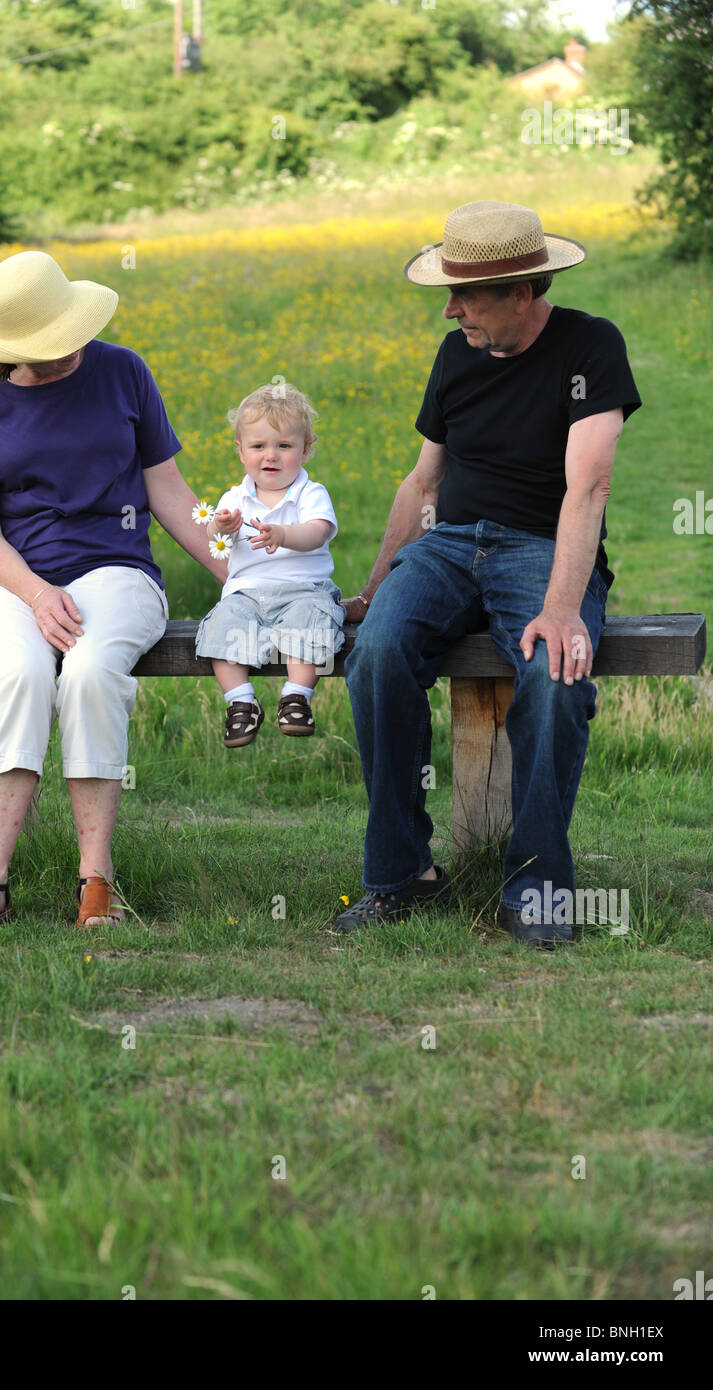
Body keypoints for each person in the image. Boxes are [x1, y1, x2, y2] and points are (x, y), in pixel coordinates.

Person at [338, 201, 641, 946]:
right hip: (446, 547)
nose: (450, 309)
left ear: (520, 291)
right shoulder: (454, 353)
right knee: (376, 652)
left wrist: (563, 607)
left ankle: (534, 889)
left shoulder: (589, 347)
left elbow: (588, 487)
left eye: (465, 295)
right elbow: (422, 484)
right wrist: (376, 587)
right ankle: (401, 876)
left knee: (553, 674)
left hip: (542, 548)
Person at [0, 250, 228, 930]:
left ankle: (95, 879)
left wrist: (244, 581)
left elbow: (172, 496)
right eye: (51, 343)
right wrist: (36, 594)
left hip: (116, 570)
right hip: (11, 580)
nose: (70, 351)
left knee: (92, 671)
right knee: (22, 673)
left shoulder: (122, 370)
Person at [194, 384, 346, 746]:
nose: (270, 456)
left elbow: (318, 533)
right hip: (247, 594)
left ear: (306, 449)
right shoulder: (235, 498)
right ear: (241, 451)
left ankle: (296, 697)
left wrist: (283, 534)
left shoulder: (311, 493)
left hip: (303, 590)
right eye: (258, 446)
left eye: (284, 446)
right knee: (221, 627)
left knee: (309, 623)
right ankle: (241, 702)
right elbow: (217, 545)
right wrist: (222, 528)